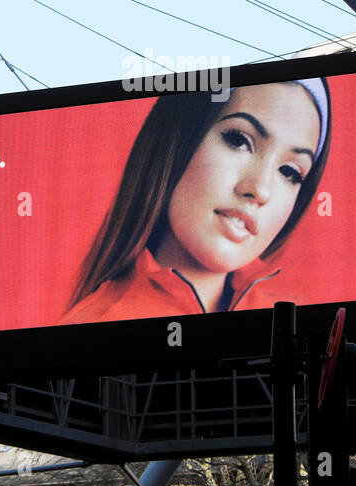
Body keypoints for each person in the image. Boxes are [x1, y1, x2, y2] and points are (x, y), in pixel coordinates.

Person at [61, 78, 330, 324]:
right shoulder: (92, 328)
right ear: (176, 141)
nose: (260, 190)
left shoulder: (298, 325)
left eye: (290, 172)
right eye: (238, 140)